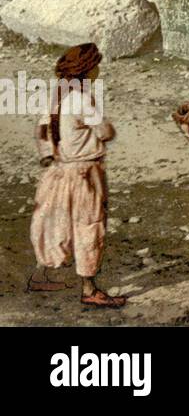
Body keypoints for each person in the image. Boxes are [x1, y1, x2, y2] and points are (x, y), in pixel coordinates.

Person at [28, 43, 126, 308]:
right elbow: (106, 132)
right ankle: (89, 288)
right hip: (84, 173)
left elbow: (42, 131)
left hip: (58, 172)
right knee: (88, 225)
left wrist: (50, 153)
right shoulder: (83, 99)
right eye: (95, 65)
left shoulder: (57, 96)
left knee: (53, 223)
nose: (98, 69)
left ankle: (41, 274)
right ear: (88, 70)